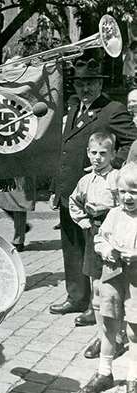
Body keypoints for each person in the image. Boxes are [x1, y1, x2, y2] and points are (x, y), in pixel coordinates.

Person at [49, 57, 137, 323]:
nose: (84, 88)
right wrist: (57, 187)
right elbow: (65, 150)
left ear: (100, 83)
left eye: (90, 83)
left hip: (98, 194)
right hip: (71, 190)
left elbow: (131, 141)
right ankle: (76, 297)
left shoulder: (112, 109)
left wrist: (111, 169)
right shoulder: (74, 107)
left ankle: (96, 305)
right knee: (71, 245)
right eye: (80, 83)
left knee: (95, 250)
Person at [81, 162, 137, 393]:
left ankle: (134, 379)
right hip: (112, 276)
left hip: (136, 281)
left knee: (135, 331)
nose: (128, 197)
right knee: (108, 326)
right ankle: (105, 372)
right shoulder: (114, 215)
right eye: (123, 192)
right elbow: (99, 240)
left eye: (134, 192)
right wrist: (106, 251)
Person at [69, 131, 125, 359]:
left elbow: (127, 203)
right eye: (94, 153)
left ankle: (118, 336)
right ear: (88, 153)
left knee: (115, 291)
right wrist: (83, 222)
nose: (98, 158)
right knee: (97, 290)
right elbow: (75, 201)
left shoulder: (118, 178)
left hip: (114, 237)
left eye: (103, 153)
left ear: (112, 154)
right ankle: (102, 336)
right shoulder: (85, 180)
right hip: (93, 235)